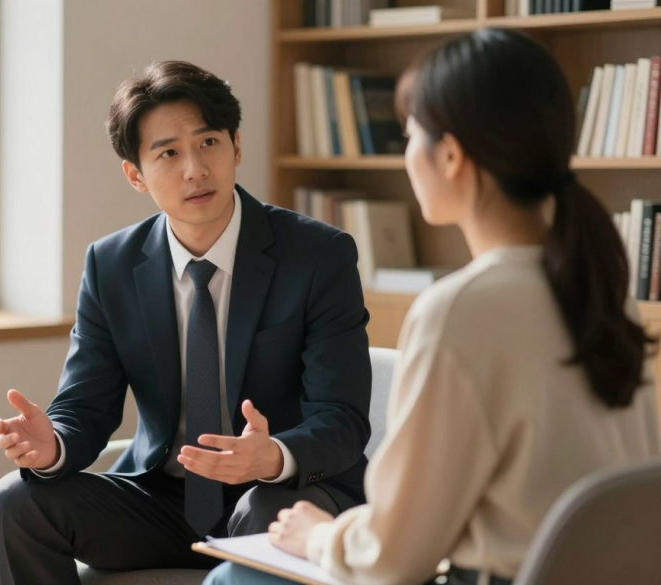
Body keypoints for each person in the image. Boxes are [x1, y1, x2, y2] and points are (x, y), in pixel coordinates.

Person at [205, 28, 661, 585]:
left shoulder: (461, 309)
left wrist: (318, 535)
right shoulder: (606, 290)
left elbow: (395, 557)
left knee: (236, 580)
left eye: (409, 134)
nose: (406, 155)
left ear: (449, 155)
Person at [0, 60, 372, 584]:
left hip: (283, 494)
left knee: (264, 511)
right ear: (135, 174)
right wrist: (52, 446)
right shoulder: (111, 264)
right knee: (15, 499)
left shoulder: (319, 255)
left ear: (236, 146)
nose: (194, 169)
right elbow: (86, 406)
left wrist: (271, 456)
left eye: (208, 143)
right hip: (164, 500)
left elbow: (342, 420)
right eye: (168, 152)